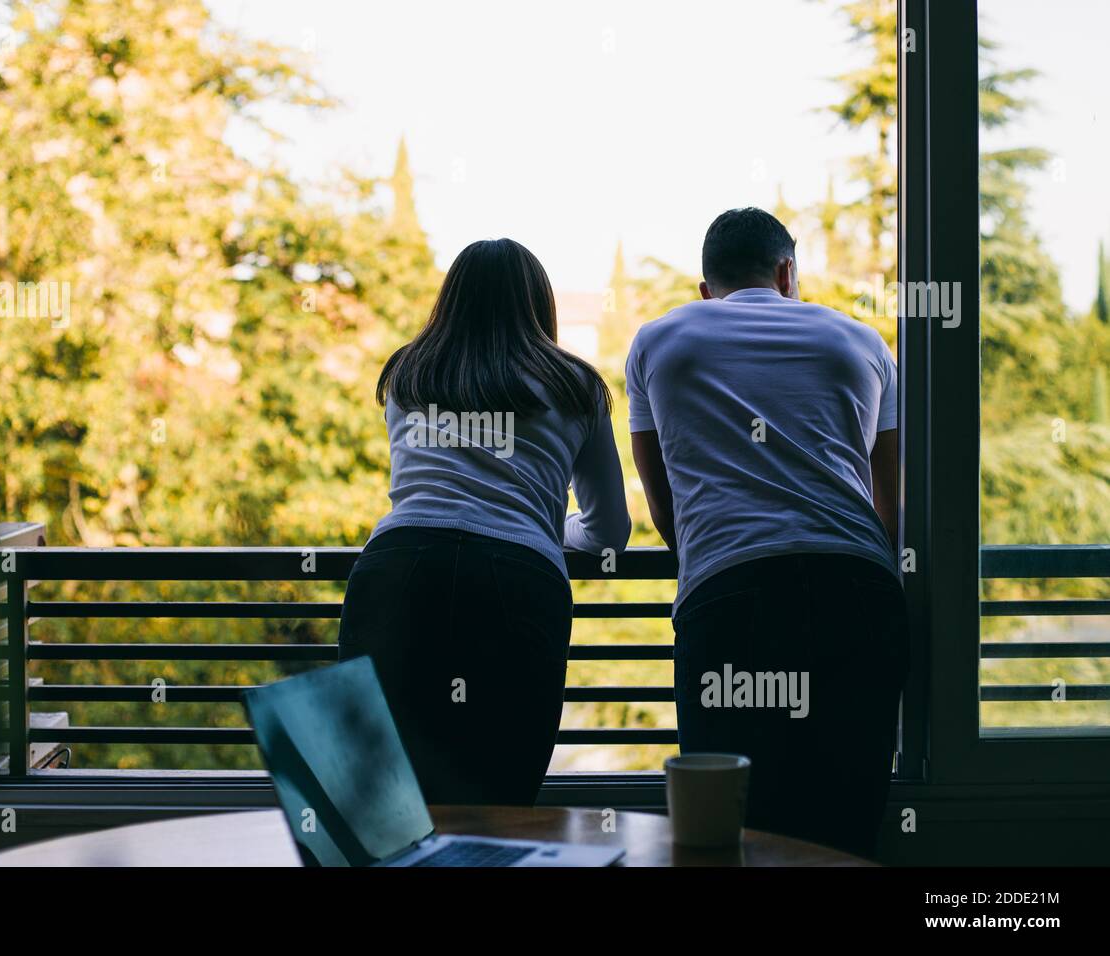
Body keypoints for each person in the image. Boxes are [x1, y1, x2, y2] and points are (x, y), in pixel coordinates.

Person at [625, 207, 908, 858]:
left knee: (727, 828)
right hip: (858, 592)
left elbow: (662, 499)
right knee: (845, 828)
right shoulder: (862, 340)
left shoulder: (659, 340)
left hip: (732, 596)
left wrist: (714, 564)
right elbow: (892, 507)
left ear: (705, 289)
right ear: (787, 273)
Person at [339, 237, 631, 806]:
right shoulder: (579, 387)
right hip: (518, 583)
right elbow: (607, 533)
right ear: (538, 303)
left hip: (397, 570)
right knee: (503, 790)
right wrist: (542, 529)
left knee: (377, 800)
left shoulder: (409, 374)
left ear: (451, 300)